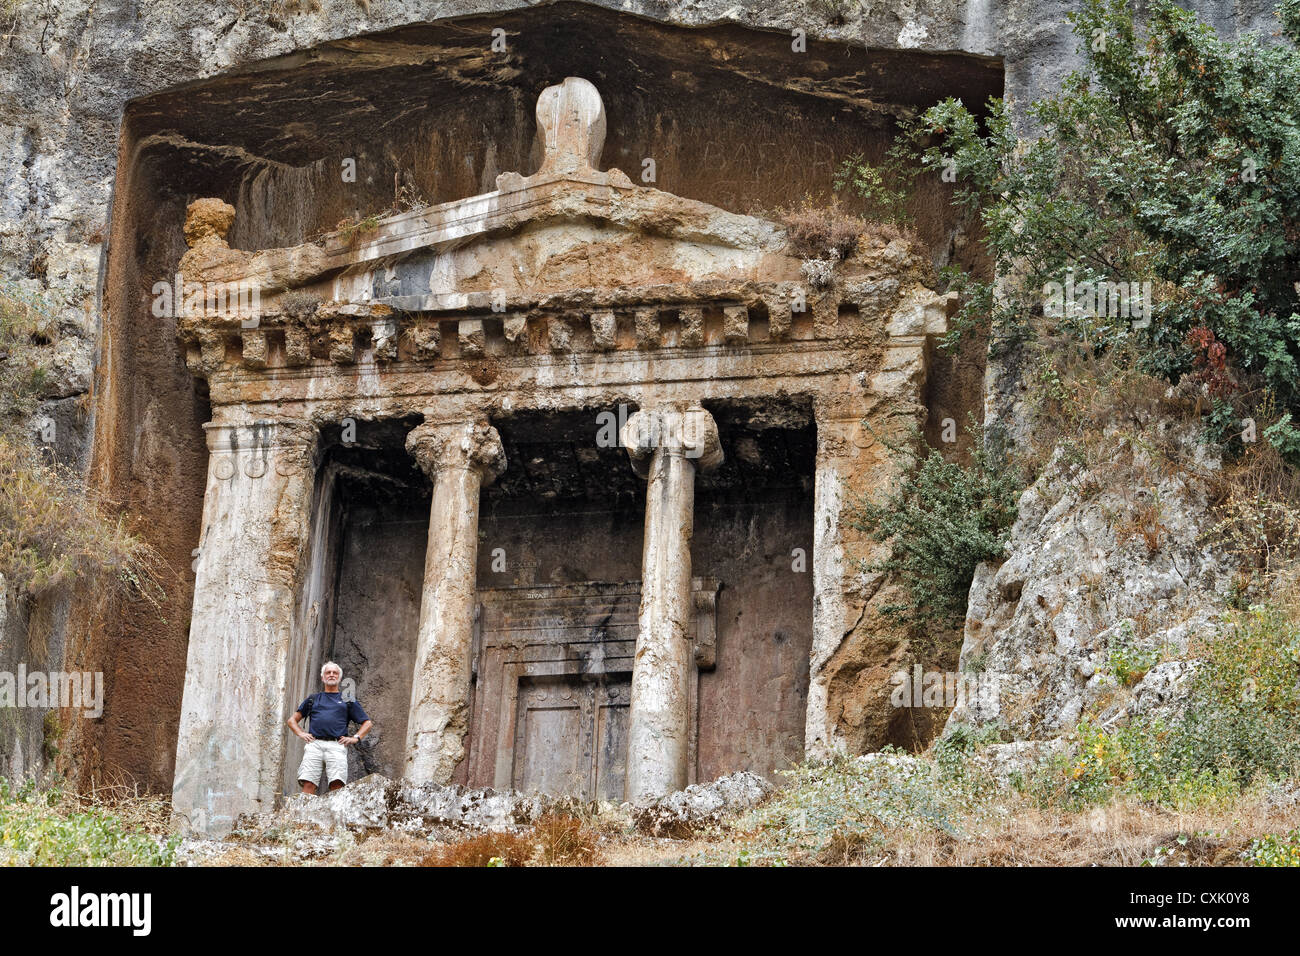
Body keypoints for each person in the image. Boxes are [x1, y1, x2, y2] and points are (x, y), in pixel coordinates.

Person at [287, 661, 373, 794]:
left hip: (336, 745)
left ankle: (335, 814)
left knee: (337, 784)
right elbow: (292, 720)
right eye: (328, 672)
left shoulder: (347, 699)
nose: (331, 675)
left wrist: (355, 738)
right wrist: (301, 733)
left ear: (339, 678)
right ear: (323, 677)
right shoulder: (313, 699)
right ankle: (303, 814)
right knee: (308, 783)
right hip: (314, 744)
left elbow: (367, 723)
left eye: (335, 673)